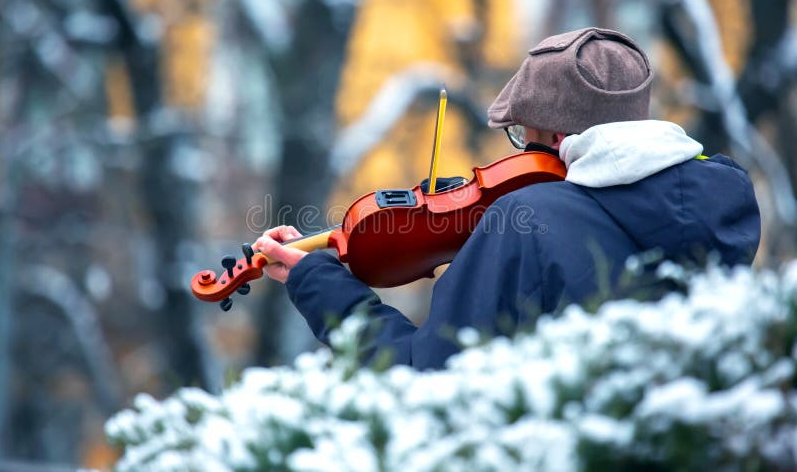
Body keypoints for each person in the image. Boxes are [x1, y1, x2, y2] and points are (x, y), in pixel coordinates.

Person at [252, 27, 761, 370]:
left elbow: (423, 381)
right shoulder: (723, 205)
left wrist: (315, 281)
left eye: (524, 136)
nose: (519, 158)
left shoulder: (530, 219)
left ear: (559, 139)